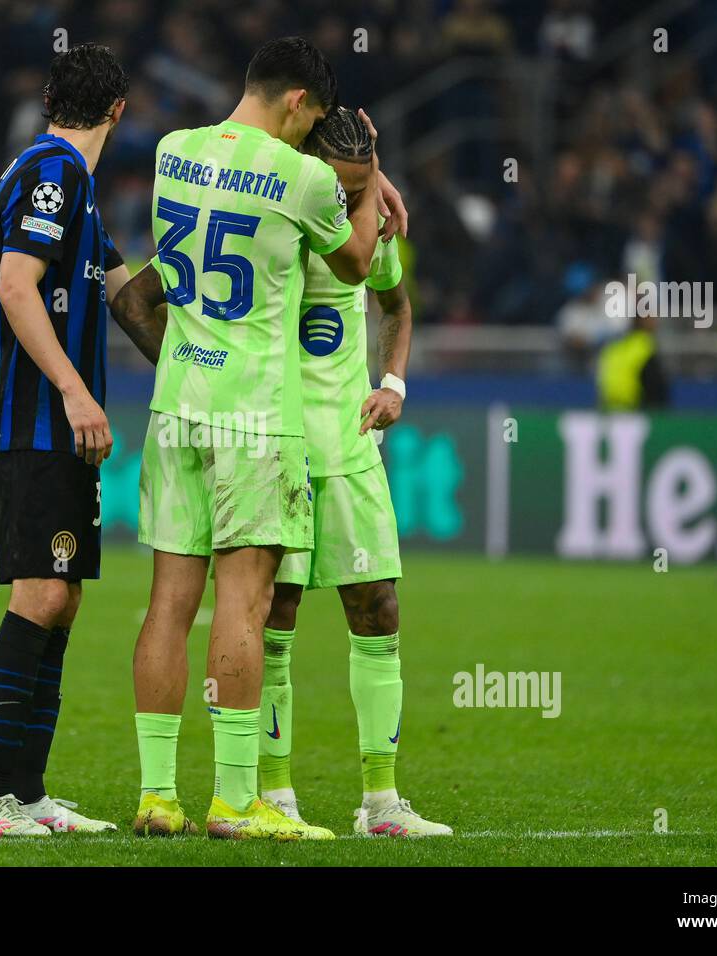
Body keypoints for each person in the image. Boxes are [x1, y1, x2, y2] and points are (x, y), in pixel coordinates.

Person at [114, 37, 405, 840]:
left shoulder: (175, 152)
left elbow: (151, 289)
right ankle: (238, 803)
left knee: (168, 607)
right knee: (243, 606)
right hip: (253, 416)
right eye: (312, 118)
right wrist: (373, 173)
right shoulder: (306, 176)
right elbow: (353, 264)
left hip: (177, 404)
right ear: (300, 104)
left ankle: (157, 796)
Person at [259, 107, 452, 838]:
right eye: (337, 190)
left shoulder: (370, 230)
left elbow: (396, 309)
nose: (346, 205)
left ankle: (381, 803)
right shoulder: (269, 220)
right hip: (276, 445)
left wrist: (393, 384)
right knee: (272, 622)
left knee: (378, 611)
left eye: (359, 189)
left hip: (348, 448)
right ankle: (273, 795)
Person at [0, 44, 131, 837]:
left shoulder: (71, 186)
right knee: (38, 595)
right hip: (35, 419)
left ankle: (28, 793)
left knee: (61, 601)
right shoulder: (56, 174)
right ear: (119, 111)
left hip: (55, 427)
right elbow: (20, 285)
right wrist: (73, 390)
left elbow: (130, 293)